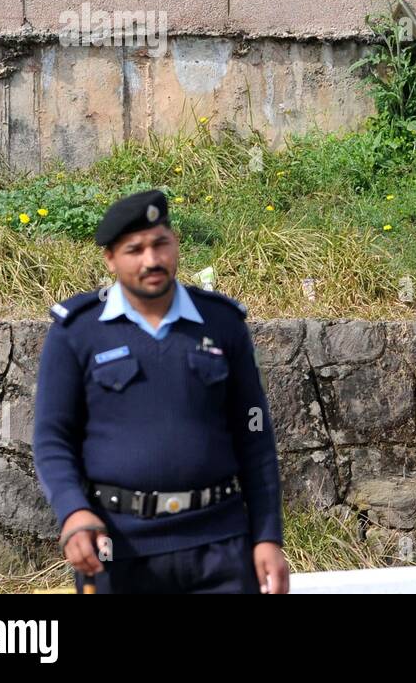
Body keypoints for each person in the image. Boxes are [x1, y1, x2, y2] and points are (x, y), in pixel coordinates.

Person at [33, 189, 289, 593]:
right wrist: (73, 512)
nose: (151, 260)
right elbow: (52, 438)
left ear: (176, 244)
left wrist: (267, 536)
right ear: (110, 259)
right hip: (118, 548)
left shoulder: (222, 323)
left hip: (221, 544)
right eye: (134, 250)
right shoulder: (77, 331)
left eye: (160, 244)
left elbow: (255, 434)